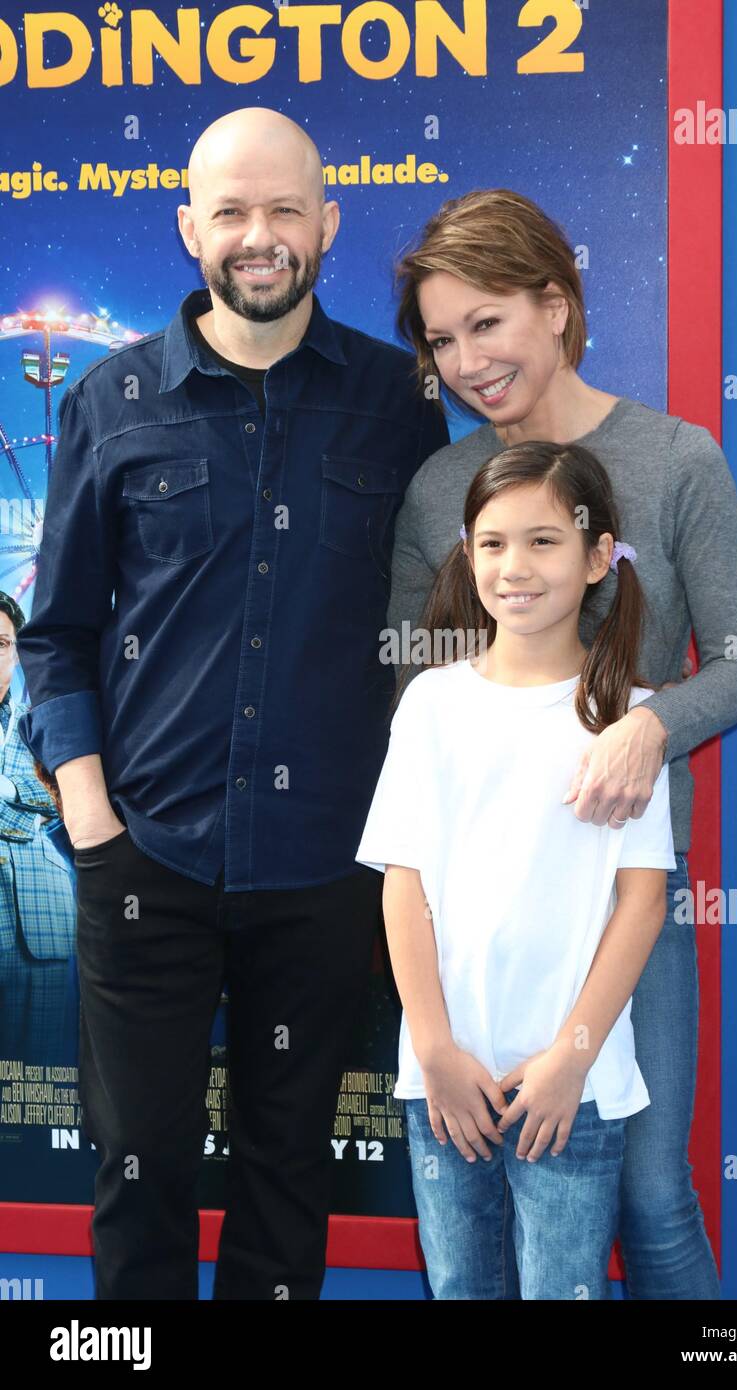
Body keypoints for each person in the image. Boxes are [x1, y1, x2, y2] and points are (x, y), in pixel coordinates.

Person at [15, 107, 448, 1300]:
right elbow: (55, 635)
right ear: (187, 227)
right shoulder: (109, 397)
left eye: (284, 210)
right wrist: (94, 826)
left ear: (328, 220)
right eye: (231, 213)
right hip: (143, 861)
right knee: (137, 1176)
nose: (259, 238)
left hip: (320, 873)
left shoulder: (393, 399)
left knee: (284, 1176)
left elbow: (426, 637)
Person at [386, 188, 737, 1299]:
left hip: (623, 902)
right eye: (441, 340)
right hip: (482, 914)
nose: (466, 361)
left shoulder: (676, 459)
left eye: (486, 323)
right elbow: (413, 672)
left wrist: (644, 723)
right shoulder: (436, 492)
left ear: (556, 305)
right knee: (482, 1225)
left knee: (650, 1199)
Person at [357, 439, 676, 1299]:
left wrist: (572, 1056)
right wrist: (433, 1049)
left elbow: (641, 903)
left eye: (545, 540)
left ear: (598, 554)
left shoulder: (631, 721)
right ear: (468, 555)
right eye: (493, 542)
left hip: (571, 1084)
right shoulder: (432, 701)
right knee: (462, 1285)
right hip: (445, 1077)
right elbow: (404, 883)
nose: (516, 566)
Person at [0, 591, 76, 1061]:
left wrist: (6, 791)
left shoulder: (43, 722)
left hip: (41, 921)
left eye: (0, 643)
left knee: (40, 1078)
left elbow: (68, 799)